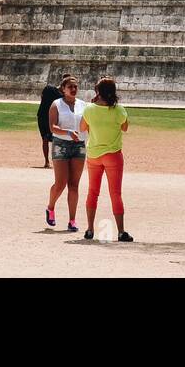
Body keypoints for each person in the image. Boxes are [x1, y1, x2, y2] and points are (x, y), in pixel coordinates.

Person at [79, 76, 133, 243]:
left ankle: (89, 229)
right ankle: (121, 231)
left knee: (92, 192)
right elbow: (125, 127)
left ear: (98, 92)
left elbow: (82, 127)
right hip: (113, 154)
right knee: (115, 193)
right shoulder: (119, 110)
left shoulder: (89, 109)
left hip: (94, 154)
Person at [46, 74, 87, 233]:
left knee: (74, 185)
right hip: (61, 144)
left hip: (79, 145)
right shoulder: (56, 104)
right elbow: (52, 127)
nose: (74, 89)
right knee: (61, 183)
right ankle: (51, 207)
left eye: (75, 86)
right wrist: (68, 132)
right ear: (63, 89)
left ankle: (72, 220)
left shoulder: (83, 105)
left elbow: (88, 123)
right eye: (70, 87)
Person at [37, 82, 64, 169]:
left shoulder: (48, 88)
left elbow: (42, 97)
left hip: (42, 115)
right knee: (55, 140)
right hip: (50, 117)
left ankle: (47, 162)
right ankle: (54, 161)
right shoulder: (61, 96)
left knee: (45, 139)